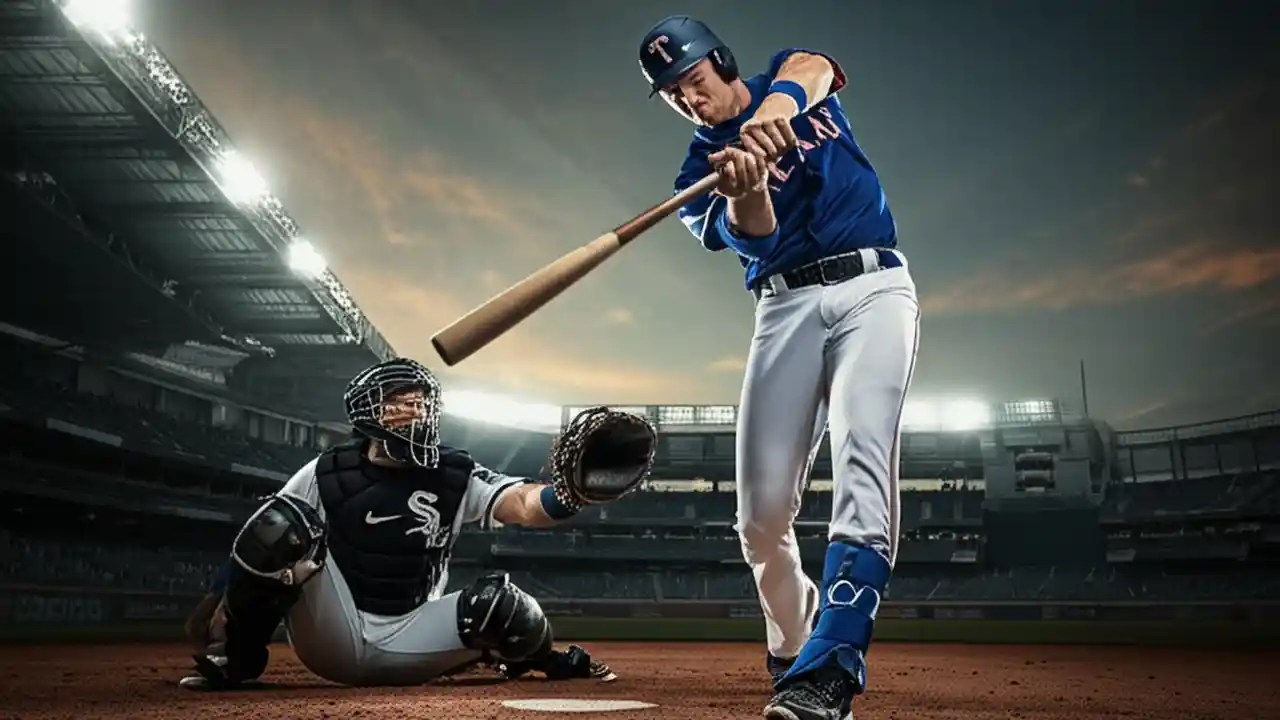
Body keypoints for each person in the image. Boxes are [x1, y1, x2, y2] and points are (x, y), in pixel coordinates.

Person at [638, 15, 921, 720]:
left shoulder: (785, 79)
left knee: (863, 454)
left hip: (874, 287)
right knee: (760, 518)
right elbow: (755, 233)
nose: (689, 101)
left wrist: (770, 116)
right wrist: (743, 181)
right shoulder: (692, 174)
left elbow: (814, 67)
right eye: (673, 94)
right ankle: (794, 649)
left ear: (723, 62)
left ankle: (831, 669)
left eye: (694, 81)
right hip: (784, 308)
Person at [180, 357, 654, 689]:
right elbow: (262, 531)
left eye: (421, 402)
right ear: (369, 413)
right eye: (399, 402)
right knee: (285, 523)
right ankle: (238, 658)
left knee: (504, 605)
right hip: (332, 635)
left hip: (412, 631)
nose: (415, 411)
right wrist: (220, 596)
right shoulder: (328, 471)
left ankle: (539, 660)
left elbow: (522, 504)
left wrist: (567, 494)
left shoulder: (454, 471)